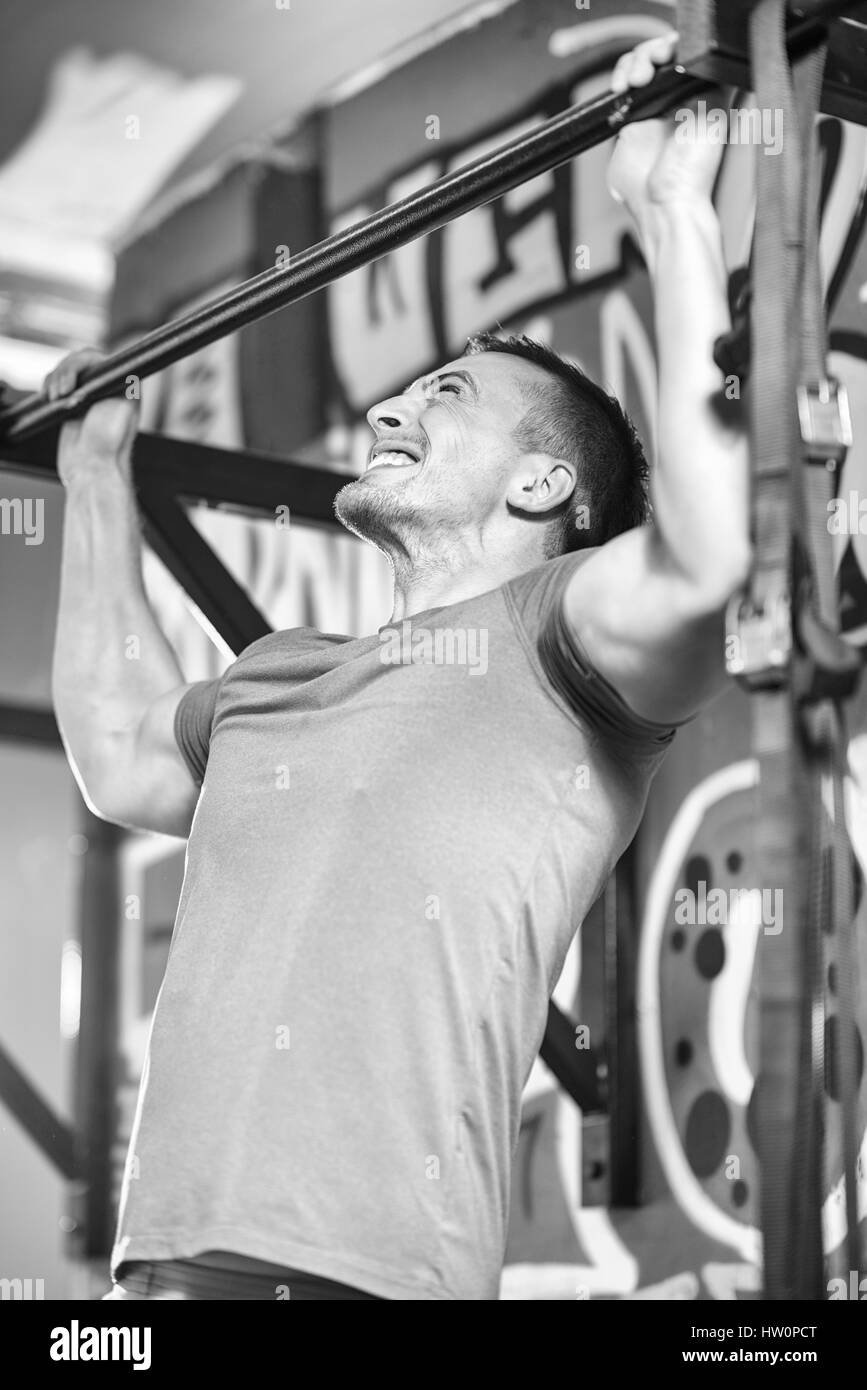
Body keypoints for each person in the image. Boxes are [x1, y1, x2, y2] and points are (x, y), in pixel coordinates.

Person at [47, 34, 749, 1300]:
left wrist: (667, 210)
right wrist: (93, 476)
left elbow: (705, 559)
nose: (388, 412)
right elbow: (112, 748)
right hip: (152, 1286)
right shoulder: (277, 670)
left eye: (445, 394)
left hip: (370, 1281)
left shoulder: (562, 638)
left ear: (544, 483)